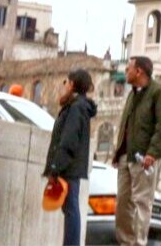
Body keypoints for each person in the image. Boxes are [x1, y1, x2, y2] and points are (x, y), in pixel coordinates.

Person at [113, 56, 161, 246]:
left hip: (145, 157)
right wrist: (117, 152)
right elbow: (126, 123)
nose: (126, 72)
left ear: (139, 71)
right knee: (122, 204)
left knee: (141, 203)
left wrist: (152, 153)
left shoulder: (159, 91)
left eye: (128, 69)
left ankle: (139, 242)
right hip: (126, 156)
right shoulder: (132, 94)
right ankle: (126, 242)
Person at [43, 68, 96, 246]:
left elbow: (68, 139)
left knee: (71, 208)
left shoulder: (76, 108)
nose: (63, 85)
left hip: (68, 166)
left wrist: (56, 168)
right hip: (71, 165)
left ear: (72, 84)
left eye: (66, 82)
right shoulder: (77, 107)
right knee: (70, 207)